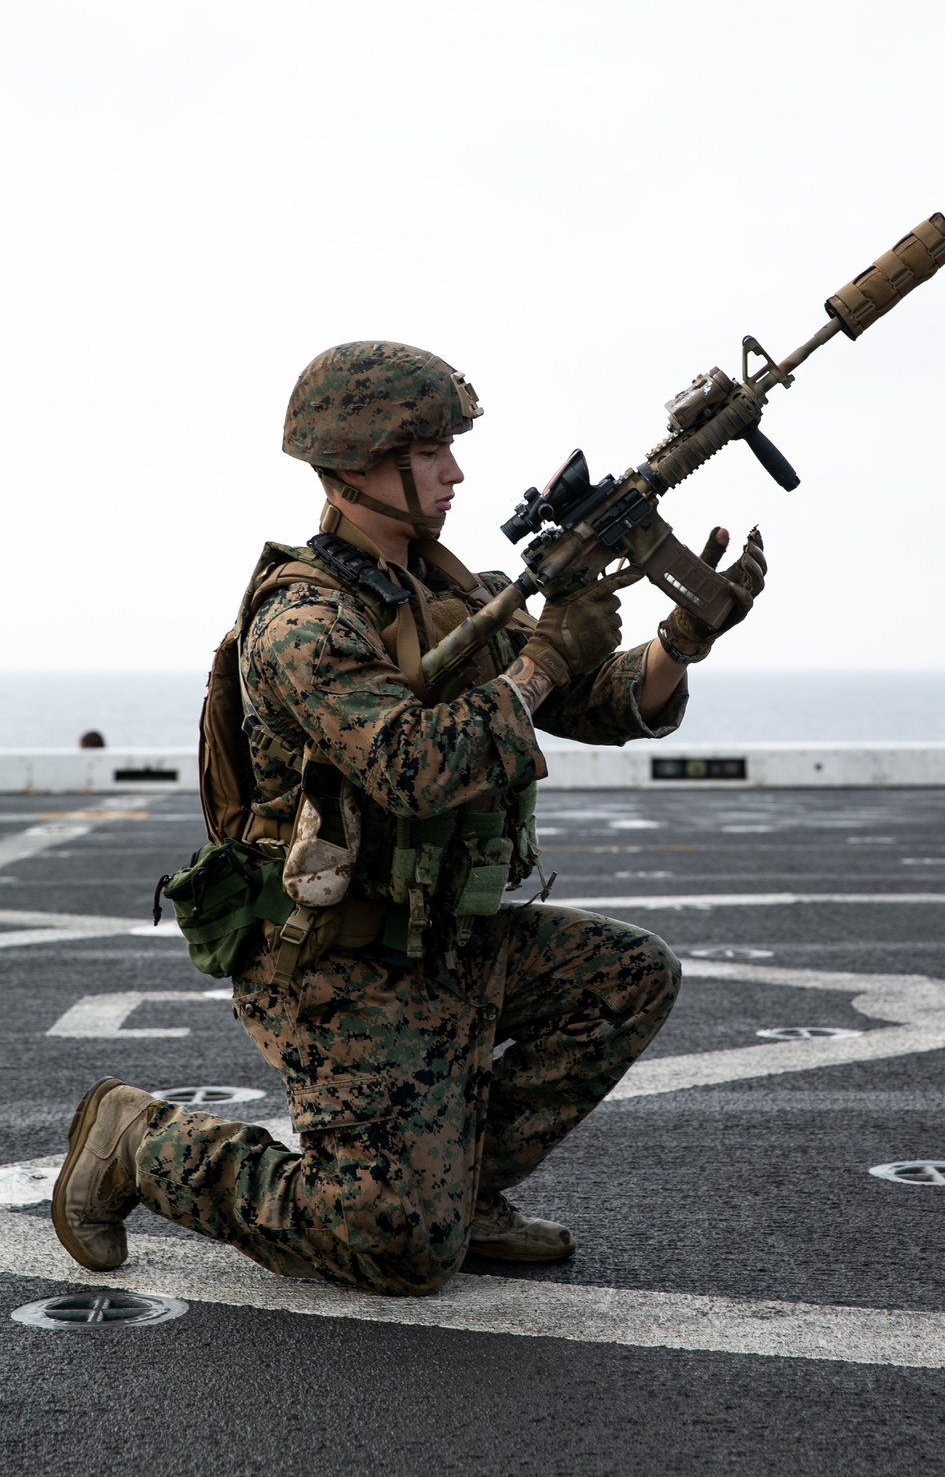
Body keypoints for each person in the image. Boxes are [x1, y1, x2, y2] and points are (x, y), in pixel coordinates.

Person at [52, 342, 765, 1297]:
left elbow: (594, 701)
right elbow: (408, 769)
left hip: (450, 941)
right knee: (391, 1247)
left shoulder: (448, 590)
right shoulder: (302, 620)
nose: (455, 471)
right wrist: (544, 660)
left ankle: (459, 1191)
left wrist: (682, 640)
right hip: (341, 964)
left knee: (630, 977)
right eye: (427, 451)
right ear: (354, 466)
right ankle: (146, 1142)